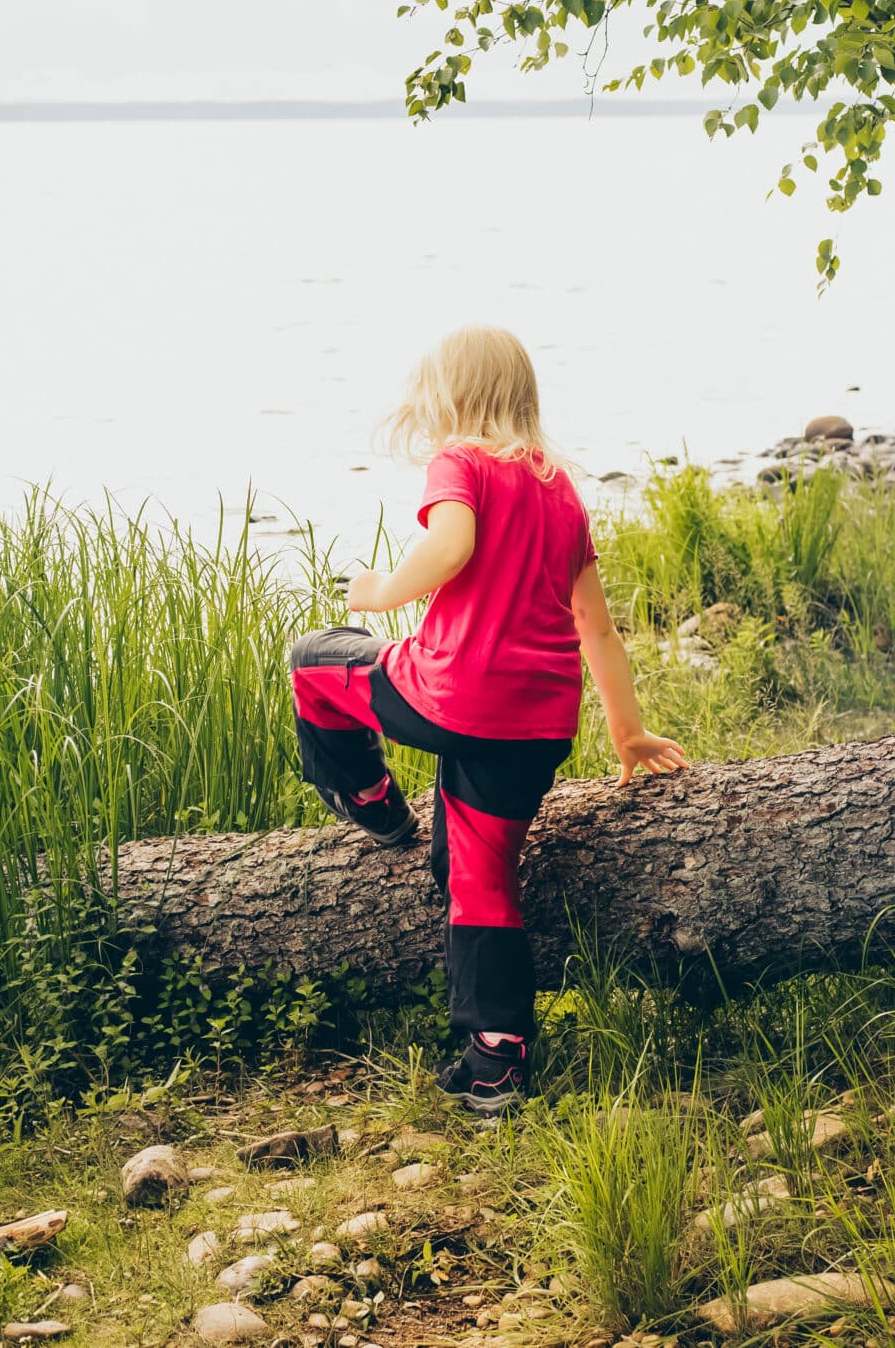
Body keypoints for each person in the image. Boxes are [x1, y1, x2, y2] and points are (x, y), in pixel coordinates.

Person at [288, 325, 687, 1112]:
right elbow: (596, 628)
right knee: (478, 877)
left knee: (312, 664)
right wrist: (627, 730)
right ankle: (495, 1062)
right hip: (535, 724)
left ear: (454, 399)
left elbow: (449, 547)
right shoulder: (563, 493)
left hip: (453, 694)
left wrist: (376, 593)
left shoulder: (461, 461)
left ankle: (371, 802)